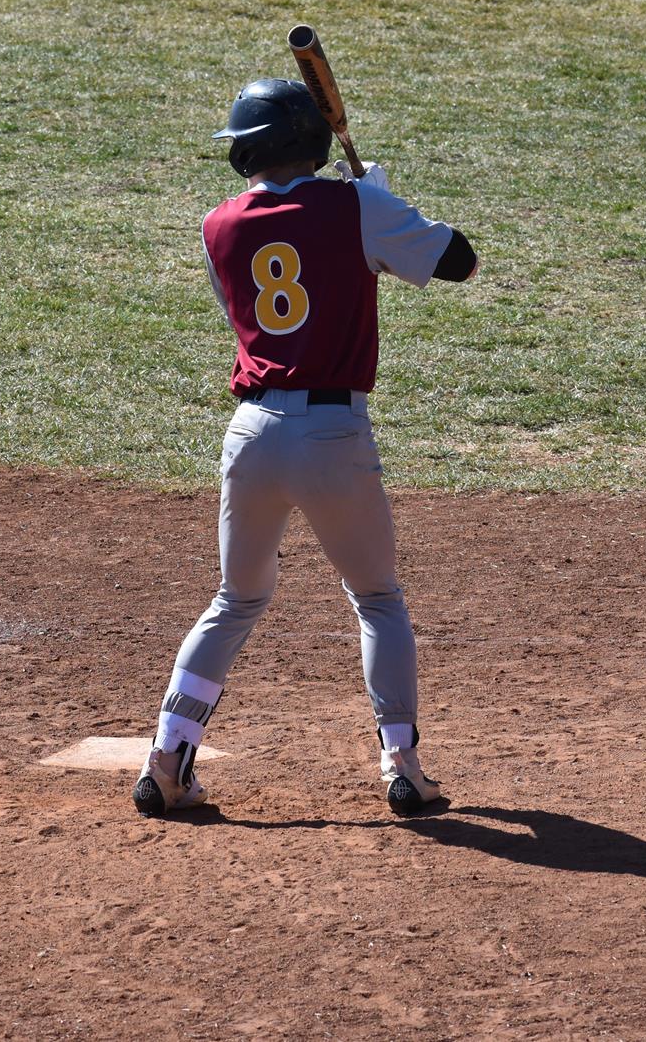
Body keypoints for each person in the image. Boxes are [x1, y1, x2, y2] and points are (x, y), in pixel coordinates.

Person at [133, 78, 479, 820]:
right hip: (333, 436)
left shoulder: (215, 227)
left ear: (253, 149)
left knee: (236, 598)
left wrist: (369, 219)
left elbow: (259, 315)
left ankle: (165, 760)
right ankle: (403, 768)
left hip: (252, 434)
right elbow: (461, 261)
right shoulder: (356, 206)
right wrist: (385, 209)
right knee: (379, 598)